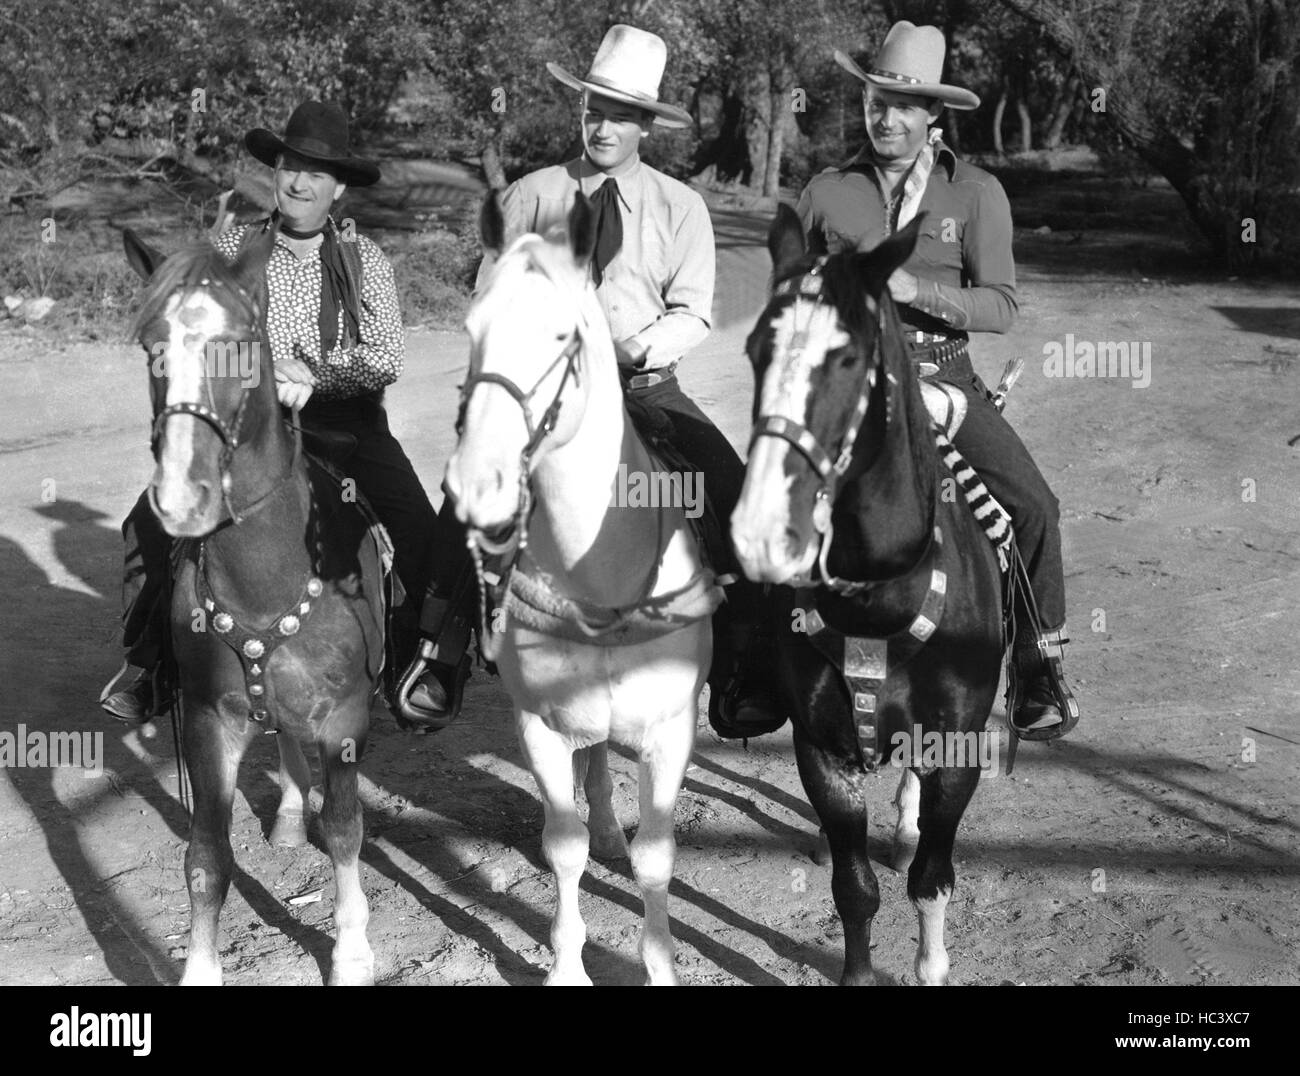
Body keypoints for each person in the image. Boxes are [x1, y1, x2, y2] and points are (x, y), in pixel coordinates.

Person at [407, 24, 784, 737]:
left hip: (643, 389)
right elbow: (492, 293)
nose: (604, 126)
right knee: (468, 486)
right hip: (542, 391)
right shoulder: (532, 195)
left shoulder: (680, 207)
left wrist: (639, 345)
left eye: (621, 114)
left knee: (722, 490)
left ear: (647, 124)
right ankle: (440, 649)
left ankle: (741, 668)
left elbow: (694, 310)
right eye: (593, 109)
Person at [102, 100, 440, 721]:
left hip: (346, 421)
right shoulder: (232, 247)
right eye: (291, 166)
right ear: (276, 171)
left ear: (338, 189)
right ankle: (152, 662)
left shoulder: (365, 262)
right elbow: (201, 329)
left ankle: (424, 662)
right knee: (149, 522)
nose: (300, 182)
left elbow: (386, 355)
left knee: (420, 527)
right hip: (250, 426)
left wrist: (315, 372)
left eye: (317, 172)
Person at [795, 21, 1079, 738]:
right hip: (851, 378)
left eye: (902, 104)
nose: (884, 117)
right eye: (875, 100)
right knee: (769, 494)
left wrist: (921, 294)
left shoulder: (976, 193)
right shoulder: (827, 193)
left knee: (1035, 505)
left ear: (932, 116)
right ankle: (759, 666)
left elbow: (1004, 306)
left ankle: (1036, 671)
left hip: (942, 380)